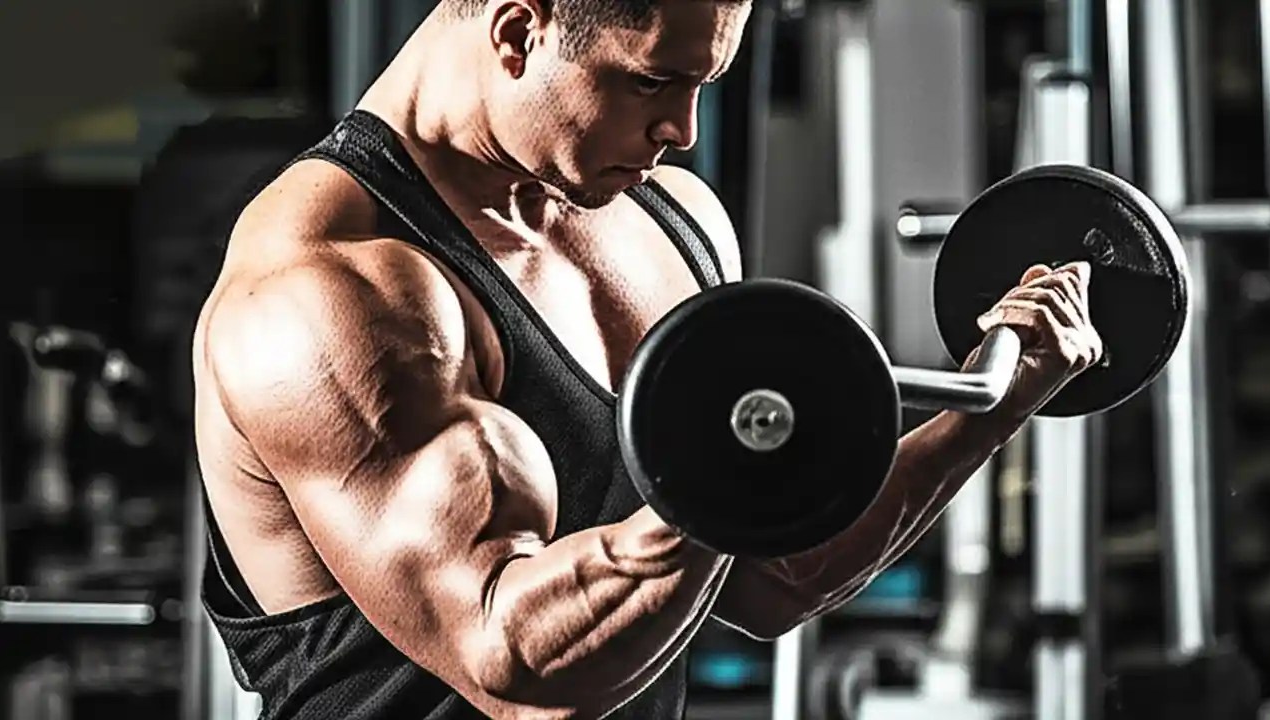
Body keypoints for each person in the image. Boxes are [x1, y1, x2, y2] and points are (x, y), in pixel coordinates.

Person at [191, 0, 1105, 718]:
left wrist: (987, 410)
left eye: (702, 85)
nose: (685, 132)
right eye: (652, 83)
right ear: (519, 31)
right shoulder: (324, 291)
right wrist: (726, 474)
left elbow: (768, 578)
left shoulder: (672, 221)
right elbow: (511, 667)